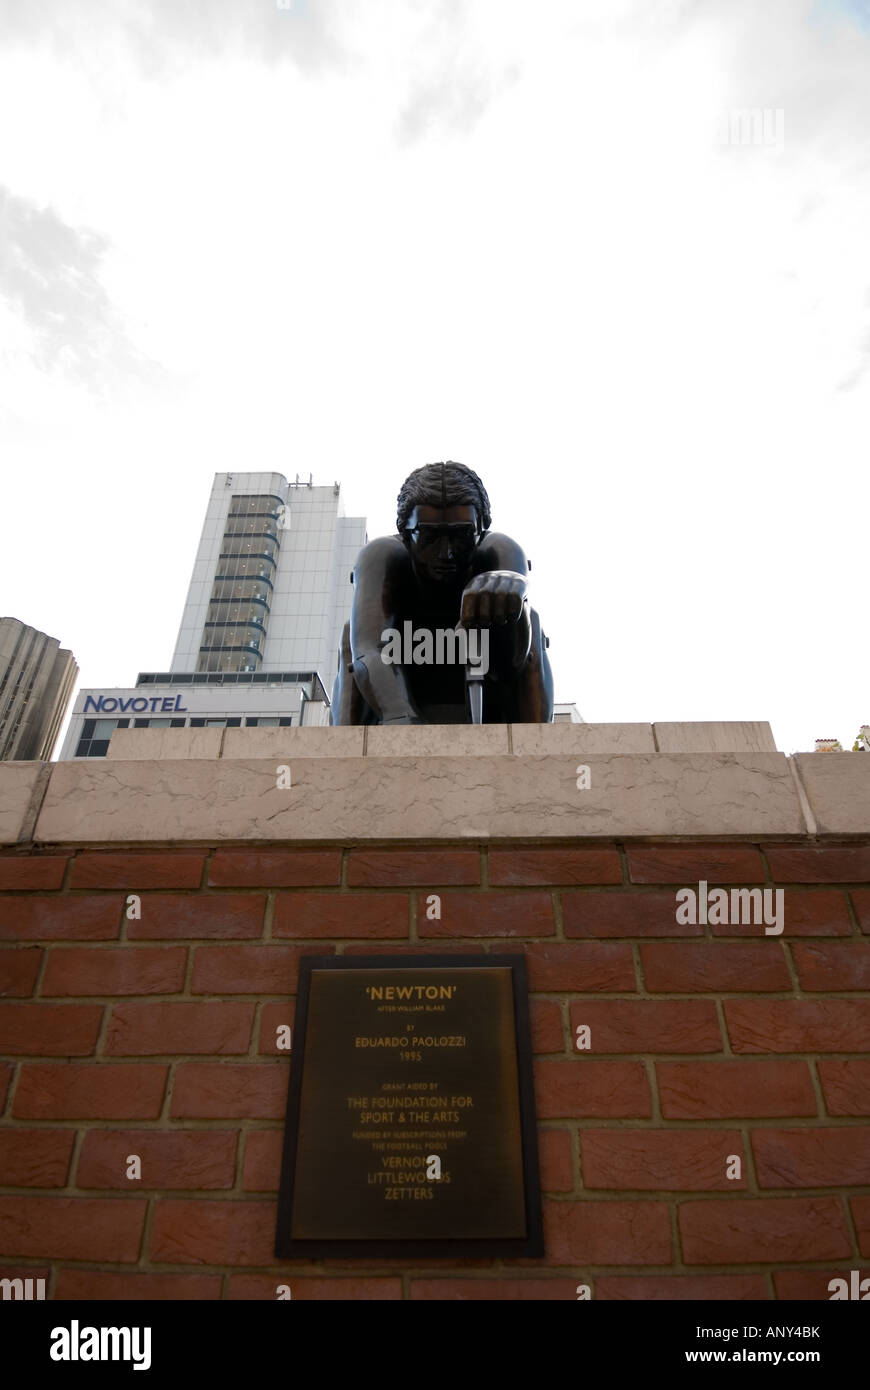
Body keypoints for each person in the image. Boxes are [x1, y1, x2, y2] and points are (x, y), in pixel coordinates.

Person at [330, 462, 554, 724]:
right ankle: (349, 750)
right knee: (354, 636)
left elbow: (511, 666)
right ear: (404, 532)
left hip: (488, 687)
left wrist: (511, 610)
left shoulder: (501, 551)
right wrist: (401, 717)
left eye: (461, 536)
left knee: (529, 619)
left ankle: (533, 746)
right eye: (429, 536)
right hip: (402, 683)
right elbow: (369, 647)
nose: (446, 553)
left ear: (481, 528)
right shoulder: (383, 556)